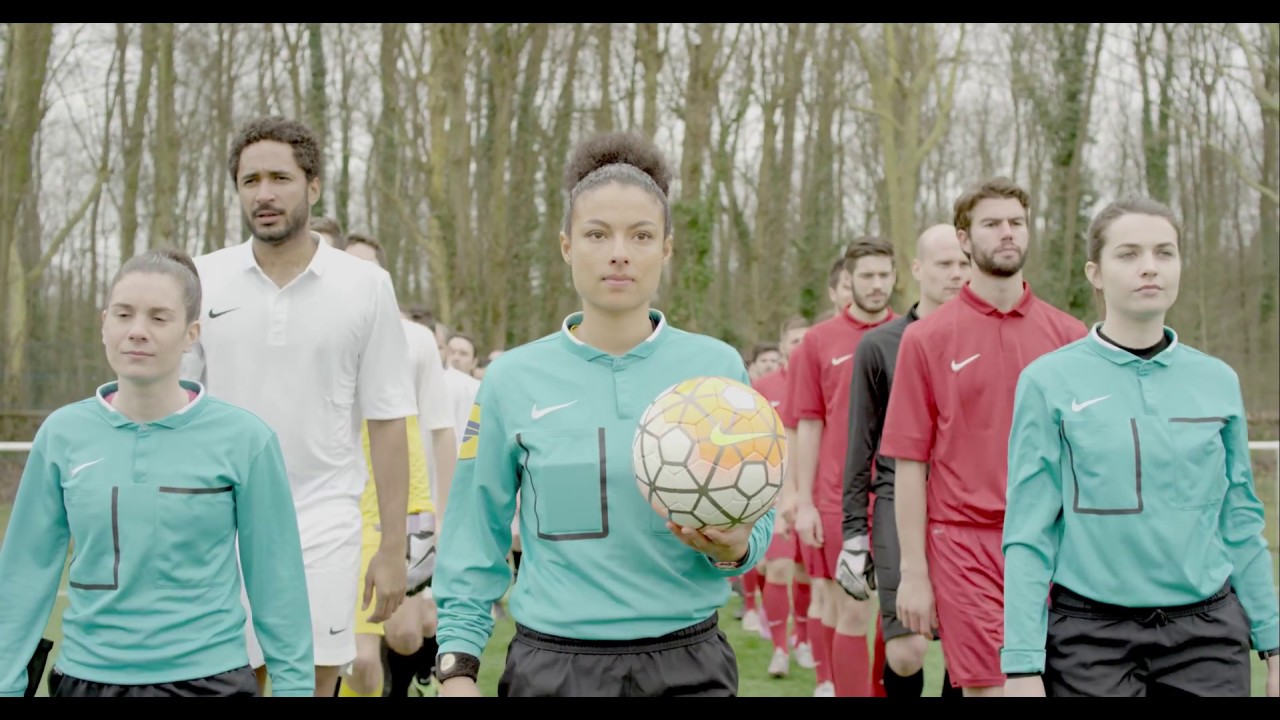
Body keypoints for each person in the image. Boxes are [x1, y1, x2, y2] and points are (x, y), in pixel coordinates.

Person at [430, 130, 775, 698]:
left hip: (689, 663)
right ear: (566, 245)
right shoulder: (512, 379)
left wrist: (736, 546)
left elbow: (756, 521)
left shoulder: (716, 369)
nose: (619, 251)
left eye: (641, 235)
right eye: (597, 234)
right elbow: (473, 536)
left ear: (666, 248)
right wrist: (458, 669)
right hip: (554, 667)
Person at [0, 248, 314, 697]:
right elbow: (23, 575)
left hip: (211, 683)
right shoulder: (61, 435)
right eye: (124, 315)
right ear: (104, 323)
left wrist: (294, 689)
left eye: (159, 318)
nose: (137, 332)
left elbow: (277, 581)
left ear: (191, 334)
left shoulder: (246, 439)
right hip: (88, 680)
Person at [1001, 196, 1280, 698]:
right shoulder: (1047, 381)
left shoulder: (1218, 380)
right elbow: (1029, 529)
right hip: (1089, 638)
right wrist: (1021, 663)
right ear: (1096, 273)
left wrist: (1275, 645)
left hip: (1208, 638)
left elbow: (1239, 520)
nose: (1149, 267)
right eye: (1128, 254)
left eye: (1164, 253)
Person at [181, 116, 416, 697]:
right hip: (220, 527)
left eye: (279, 178)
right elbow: (175, 414)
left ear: (312, 187)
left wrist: (391, 549)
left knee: (309, 684)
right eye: (249, 180)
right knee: (233, 683)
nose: (264, 193)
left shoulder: (366, 286)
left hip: (324, 523)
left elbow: (388, 425)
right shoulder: (202, 279)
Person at [878, 177, 1089, 697]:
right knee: (992, 690)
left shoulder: (1071, 337)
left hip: (1053, 543)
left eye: (1016, 222)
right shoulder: (925, 339)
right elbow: (910, 463)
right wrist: (913, 573)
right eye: (992, 224)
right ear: (965, 239)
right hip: (963, 543)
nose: (1007, 233)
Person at [836, 224, 970, 698]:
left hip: (968, 509)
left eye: (964, 263)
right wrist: (853, 533)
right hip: (896, 503)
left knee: (965, 652)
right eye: (944, 264)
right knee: (907, 650)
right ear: (916, 270)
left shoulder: (985, 339)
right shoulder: (880, 346)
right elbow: (860, 447)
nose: (956, 274)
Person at [338, 233, 451, 698]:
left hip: (407, 500)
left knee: (404, 634)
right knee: (358, 656)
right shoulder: (324, 334)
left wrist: (443, 515)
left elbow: (440, 428)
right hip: (342, 502)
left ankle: (405, 682)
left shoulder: (416, 340)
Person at [787, 237, 897, 697]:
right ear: (847, 281)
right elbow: (806, 425)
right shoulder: (818, 342)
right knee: (850, 608)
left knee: (888, 618)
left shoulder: (912, 334)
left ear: (896, 276)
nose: (876, 284)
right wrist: (802, 499)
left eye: (883, 275)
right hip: (838, 499)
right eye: (866, 275)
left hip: (898, 498)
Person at [753, 315, 816, 677]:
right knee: (777, 568)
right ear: (782, 348)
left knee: (805, 573)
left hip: (811, 492)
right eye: (795, 341)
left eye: (808, 340)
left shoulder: (821, 383)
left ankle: (804, 639)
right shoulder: (762, 387)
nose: (802, 347)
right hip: (772, 494)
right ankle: (779, 649)